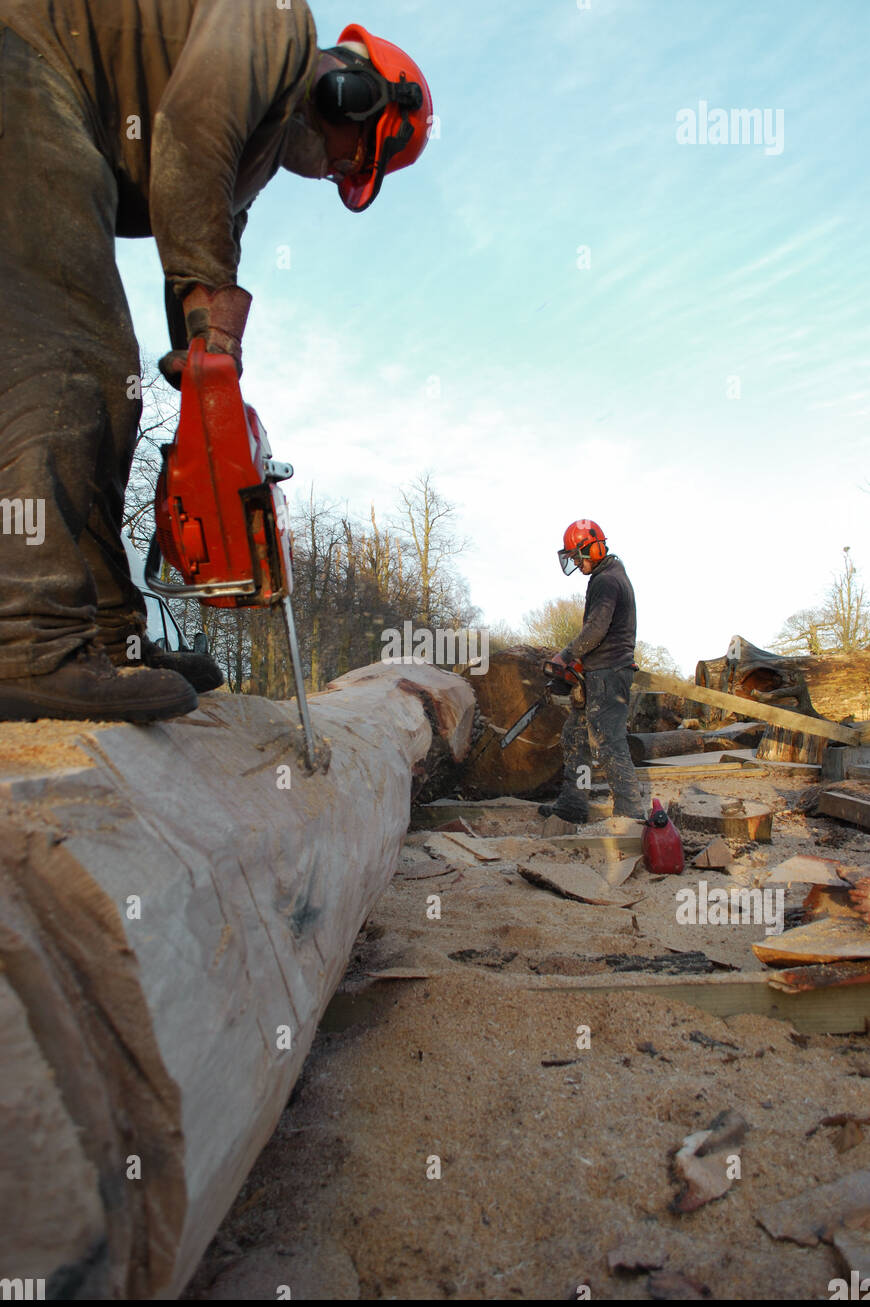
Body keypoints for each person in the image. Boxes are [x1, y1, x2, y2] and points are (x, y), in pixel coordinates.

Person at [0, 3, 432, 722]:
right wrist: (210, 332)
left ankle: (110, 635)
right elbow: (189, 139)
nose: (333, 172)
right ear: (353, 92)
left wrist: (210, 376)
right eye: (354, 156)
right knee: (72, 358)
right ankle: (27, 634)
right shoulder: (275, 26)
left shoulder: (252, 163)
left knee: (116, 387)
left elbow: (201, 251)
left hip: (51, 101)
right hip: (24, 65)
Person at [538, 520, 647, 828]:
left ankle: (630, 813)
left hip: (610, 673)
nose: (576, 563)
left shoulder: (606, 581)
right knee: (575, 736)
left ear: (593, 548)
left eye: (578, 556)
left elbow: (596, 628)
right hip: (600, 670)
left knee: (608, 741)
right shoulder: (611, 575)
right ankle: (574, 802)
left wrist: (568, 655)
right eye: (572, 558)